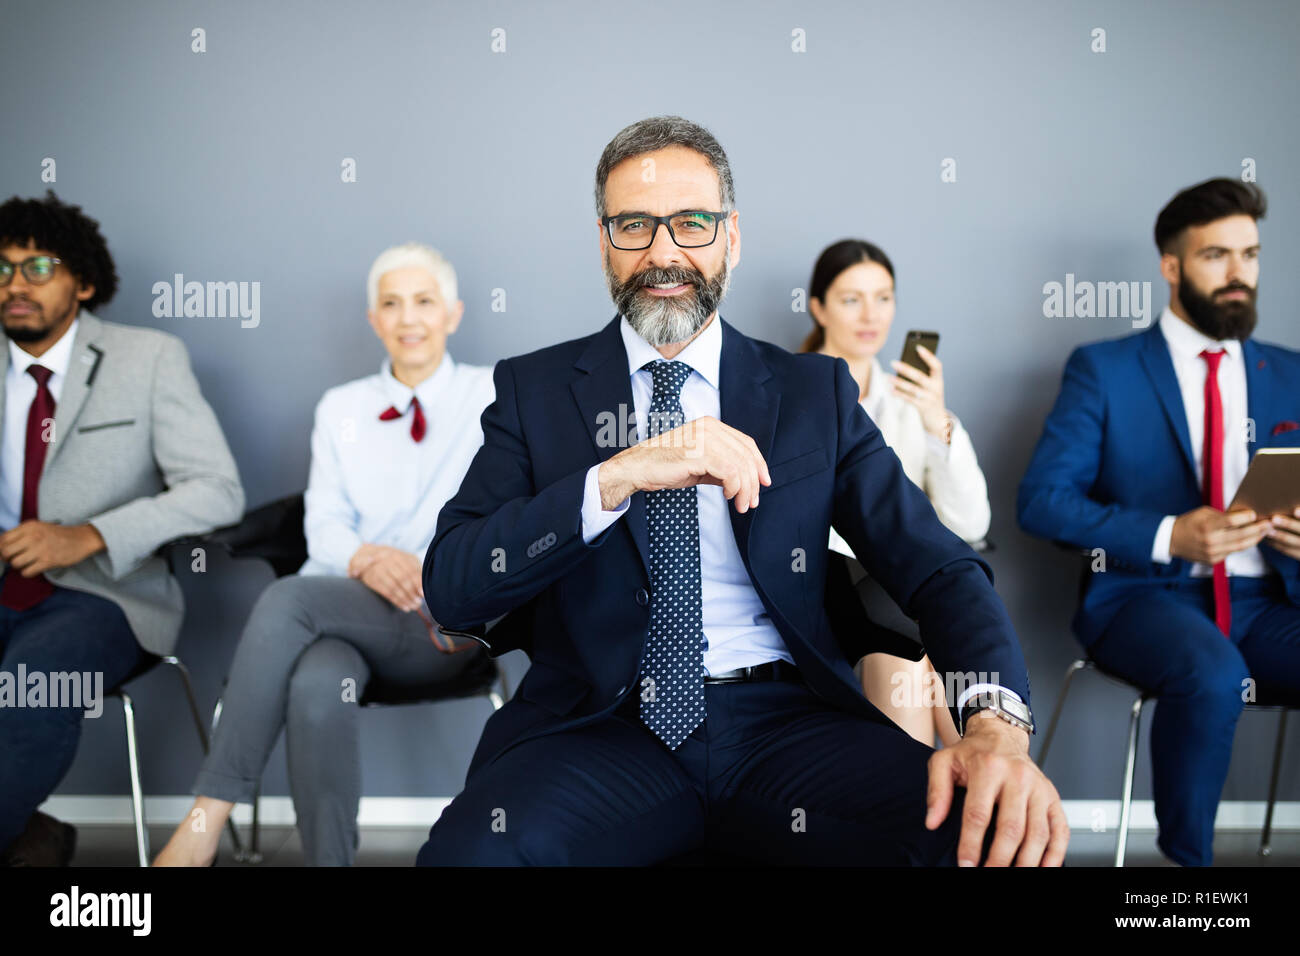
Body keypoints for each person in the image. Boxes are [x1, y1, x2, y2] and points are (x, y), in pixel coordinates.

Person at [416, 116, 1065, 867]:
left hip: (786, 726)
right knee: (475, 855)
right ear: (603, 241)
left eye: (691, 222)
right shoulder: (533, 391)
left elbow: (937, 566)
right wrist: (617, 476)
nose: (663, 253)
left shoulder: (810, 393)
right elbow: (456, 587)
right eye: (635, 225)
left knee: (982, 834)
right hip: (601, 729)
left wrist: (994, 729)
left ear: (731, 236)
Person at [154, 243, 495, 866]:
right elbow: (325, 526)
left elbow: (503, 519)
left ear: (453, 314)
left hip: (442, 621)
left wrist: (431, 567)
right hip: (346, 609)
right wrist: (366, 558)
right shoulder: (341, 408)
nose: (408, 317)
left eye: (424, 302)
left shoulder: (491, 398)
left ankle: (204, 823)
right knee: (318, 684)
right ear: (374, 320)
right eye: (391, 304)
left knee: (287, 597)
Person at [1018, 178, 1300, 866]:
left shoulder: (1290, 372)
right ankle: (1187, 882)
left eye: (1250, 255)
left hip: (1268, 598)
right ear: (1171, 266)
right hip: (1143, 598)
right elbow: (1043, 500)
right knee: (1213, 674)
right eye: (1216, 256)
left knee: (1227, 662)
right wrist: (1173, 534)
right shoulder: (1105, 370)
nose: (1239, 275)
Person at [0, 191, 244, 866]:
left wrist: (89, 535)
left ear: (83, 280)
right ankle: (30, 835)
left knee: (30, 680)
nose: (15, 284)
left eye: (37, 267)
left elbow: (218, 490)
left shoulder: (149, 358)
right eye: (2, 269)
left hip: (105, 597)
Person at [800, 239, 991, 747]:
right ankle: (925, 805)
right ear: (817, 307)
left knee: (942, 654)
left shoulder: (910, 402)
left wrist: (937, 423)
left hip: (901, 593)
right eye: (851, 299)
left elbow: (971, 525)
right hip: (826, 591)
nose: (871, 315)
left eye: (883, 298)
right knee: (914, 655)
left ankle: (969, 803)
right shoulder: (787, 396)